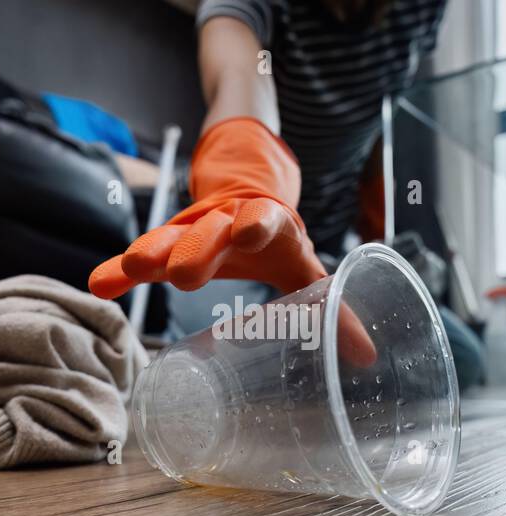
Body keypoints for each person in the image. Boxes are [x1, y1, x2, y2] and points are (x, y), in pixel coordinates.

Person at [88, 0, 447, 304]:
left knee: (459, 353)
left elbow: (377, 116)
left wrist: (377, 233)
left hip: (330, 238)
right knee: (233, 343)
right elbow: (239, 73)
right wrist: (247, 178)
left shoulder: (423, 8)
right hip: (232, 226)